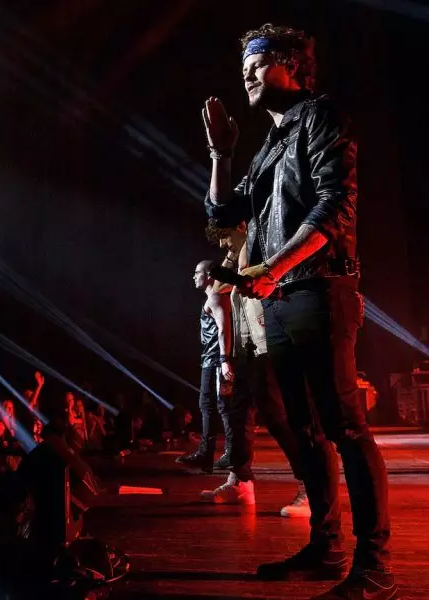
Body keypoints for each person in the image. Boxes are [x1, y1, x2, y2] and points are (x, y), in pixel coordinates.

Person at [202, 23, 393, 598]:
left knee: (345, 426)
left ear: (291, 64)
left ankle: (375, 567)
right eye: (243, 67)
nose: (247, 75)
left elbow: (335, 208)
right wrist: (222, 152)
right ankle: (326, 549)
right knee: (303, 431)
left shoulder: (321, 116)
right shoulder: (267, 144)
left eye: (256, 63)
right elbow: (221, 215)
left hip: (317, 291)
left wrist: (273, 269)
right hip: (279, 299)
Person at [206, 217, 310, 516]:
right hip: (246, 349)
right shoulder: (236, 260)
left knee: (276, 417)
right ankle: (240, 481)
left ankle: (309, 485)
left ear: (240, 228)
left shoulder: (263, 249)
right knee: (239, 416)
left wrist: (239, 247)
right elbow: (216, 288)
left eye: (225, 238)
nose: (222, 245)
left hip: (268, 346)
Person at [176, 260, 238, 482]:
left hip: (214, 360)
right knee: (218, 406)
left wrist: (224, 360)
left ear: (209, 275)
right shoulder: (214, 296)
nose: (193, 276)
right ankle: (224, 453)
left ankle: (209, 453)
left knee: (211, 405)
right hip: (211, 359)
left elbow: (224, 328)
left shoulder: (215, 297)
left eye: (197, 272)